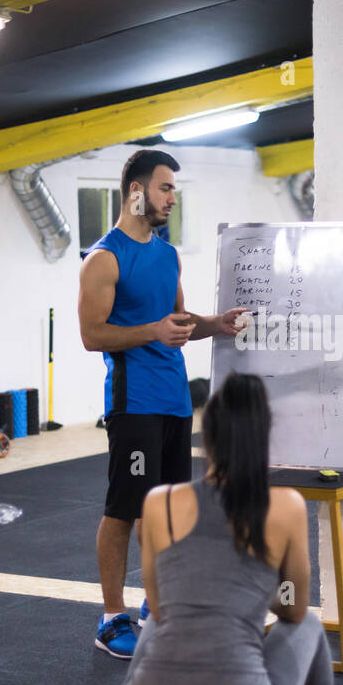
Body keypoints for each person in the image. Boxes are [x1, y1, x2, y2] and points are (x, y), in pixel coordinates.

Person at [114, 373, 334, 685]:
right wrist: (249, 589)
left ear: (208, 438)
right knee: (311, 627)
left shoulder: (159, 502)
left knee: (150, 623)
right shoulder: (286, 506)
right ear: (262, 438)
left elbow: (162, 611)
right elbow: (294, 611)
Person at [78, 149, 245, 658]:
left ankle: (156, 602)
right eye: (165, 187)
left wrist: (214, 324)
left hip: (175, 400)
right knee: (124, 509)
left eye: (173, 188)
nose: (173, 197)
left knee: (166, 509)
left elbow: (175, 319)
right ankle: (111, 619)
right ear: (136, 191)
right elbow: (91, 335)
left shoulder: (166, 253)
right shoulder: (103, 258)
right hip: (135, 403)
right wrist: (152, 331)